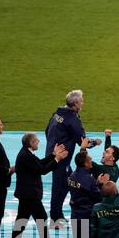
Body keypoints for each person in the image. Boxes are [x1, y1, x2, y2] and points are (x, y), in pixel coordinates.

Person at [45, 90, 98, 222]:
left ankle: (57, 213)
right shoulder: (72, 120)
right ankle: (56, 216)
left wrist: (53, 147)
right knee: (60, 186)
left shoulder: (57, 113)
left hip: (52, 153)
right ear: (75, 103)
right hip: (62, 158)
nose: (82, 102)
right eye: (81, 100)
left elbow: (47, 130)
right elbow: (82, 141)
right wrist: (95, 142)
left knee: (64, 183)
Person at [11, 135, 65, 238]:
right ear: (31, 143)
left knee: (22, 219)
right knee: (41, 218)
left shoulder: (25, 153)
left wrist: (53, 155)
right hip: (30, 194)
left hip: (26, 193)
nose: (38, 142)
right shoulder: (26, 155)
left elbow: (39, 164)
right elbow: (42, 170)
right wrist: (57, 159)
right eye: (36, 141)